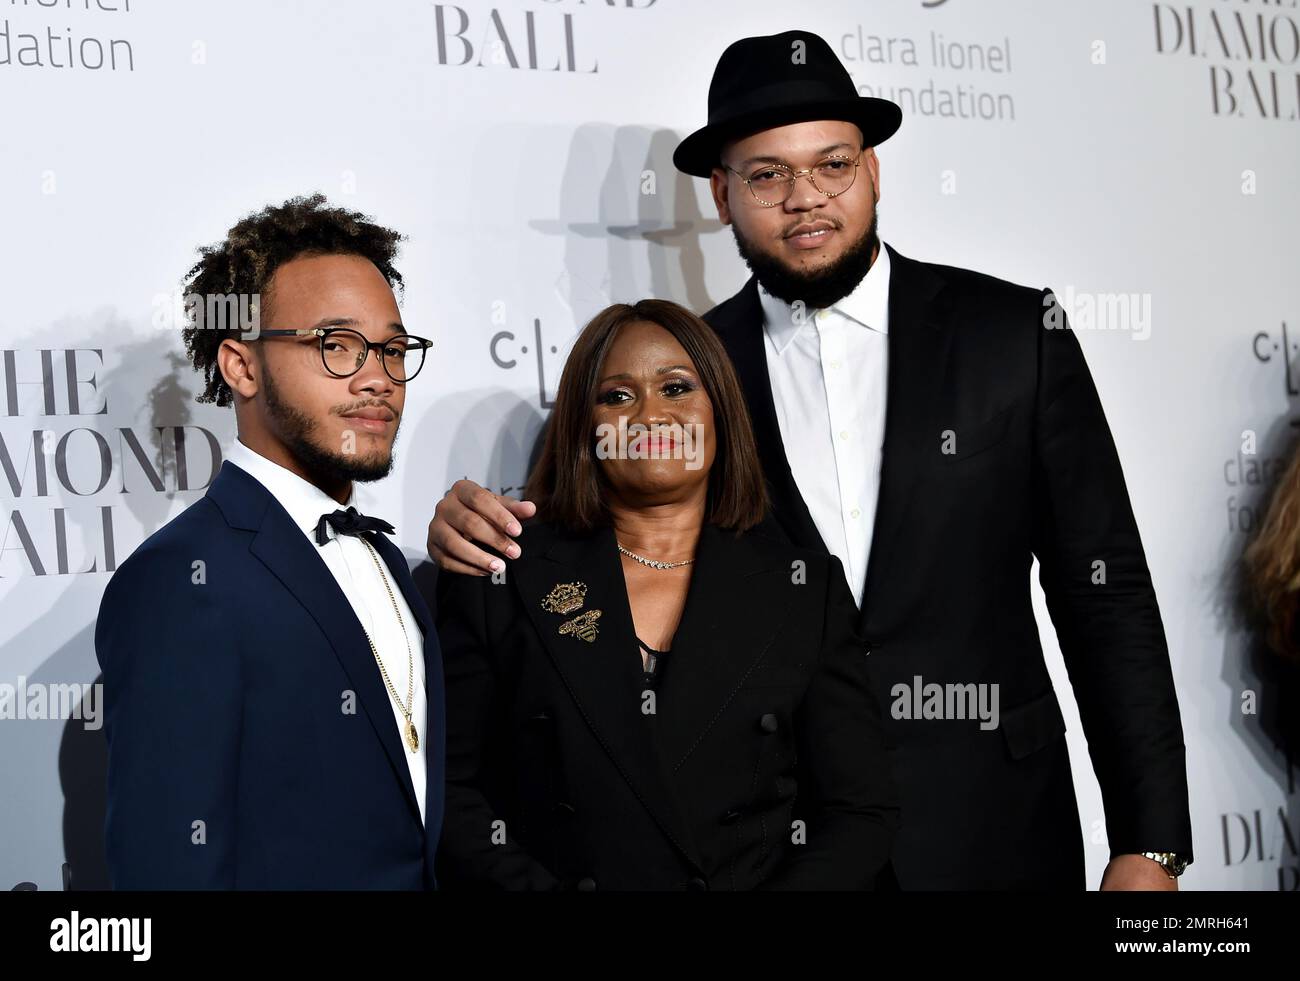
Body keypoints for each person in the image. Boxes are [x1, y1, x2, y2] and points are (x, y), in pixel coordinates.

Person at [425, 31, 1193, 890]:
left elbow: (1106, 590)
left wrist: (1150, 839)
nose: (805, 199)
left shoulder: (1013, 336)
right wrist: (466, 520)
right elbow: (574, 542)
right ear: (721, 195)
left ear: (873, 171)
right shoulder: (688, 373)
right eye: (767, 175)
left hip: (993, 818)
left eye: (832, 164)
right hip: (779, 857)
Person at [434, 299, 898, 890]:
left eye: (677, 388)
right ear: (585, 427)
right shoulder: (503, 573)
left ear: (720, 412)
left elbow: (859, 813)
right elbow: (451, 792)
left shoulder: (803, 587)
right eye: (617, 397)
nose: (651, 416)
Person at [96, 194, 444, 888]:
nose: (378, 375)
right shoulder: (181, 579)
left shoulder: (390, 562)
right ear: (241, 365)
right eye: (335, 345)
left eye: (394, 348)